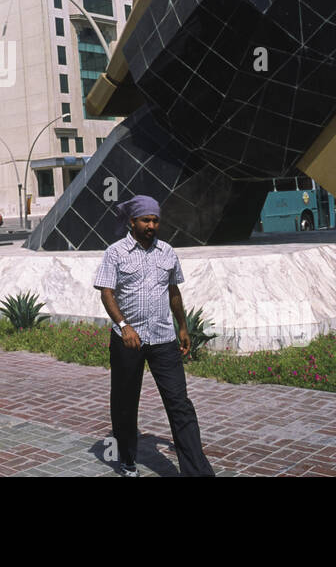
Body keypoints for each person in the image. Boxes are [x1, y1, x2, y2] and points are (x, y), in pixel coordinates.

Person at [93, 194, 215, 477]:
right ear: (133, 221)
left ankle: (197, 472)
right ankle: (127, 459)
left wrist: (182, 326)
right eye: (146, 220)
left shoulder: (167, 252)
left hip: (163, 338)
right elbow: (106, 293)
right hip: (128, 340)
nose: (151, 225)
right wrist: (124, 326)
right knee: (125, 402)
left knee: (179, 403)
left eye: (155, 220)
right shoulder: (116, 253)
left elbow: (174, 291)